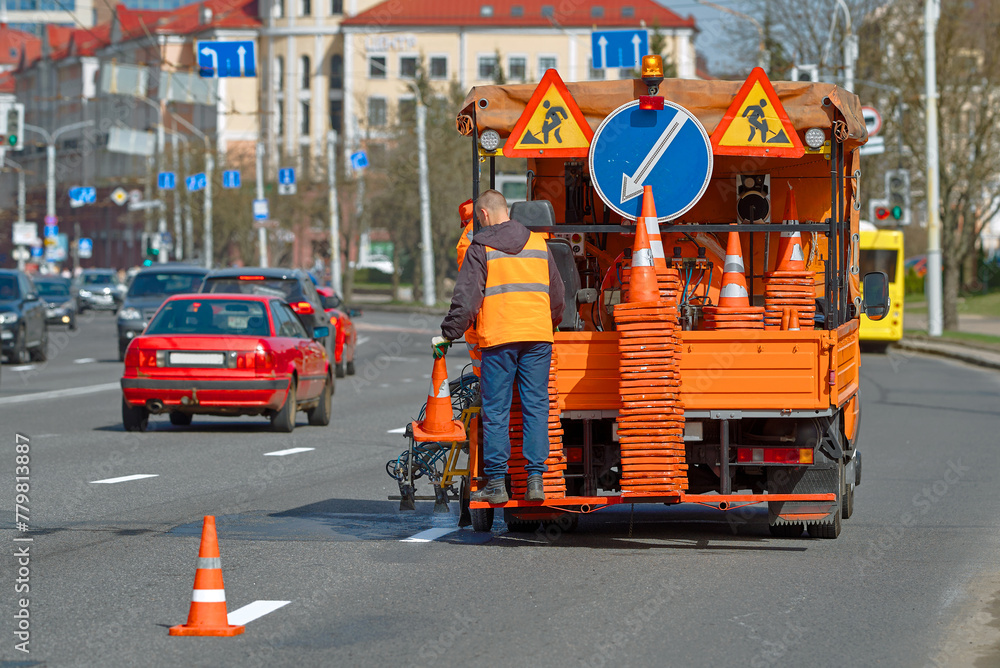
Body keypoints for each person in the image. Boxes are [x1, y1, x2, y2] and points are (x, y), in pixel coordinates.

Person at [433, 190, 565, 503]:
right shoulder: (537, 243)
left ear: (484, 214)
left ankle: (496, 483)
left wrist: (449, 334)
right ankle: (535, 480)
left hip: (499, 339)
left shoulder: (481, 247)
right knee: (536, 406)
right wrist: (549, 322)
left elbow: (467, 298)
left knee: (497, 410)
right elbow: (557, 294)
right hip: (537, 337)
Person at [454, 198, 482, 378]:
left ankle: (483, 387)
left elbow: (468, 281)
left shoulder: (468, 235)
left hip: (481, 308)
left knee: (475, 342)